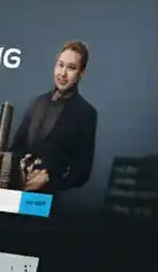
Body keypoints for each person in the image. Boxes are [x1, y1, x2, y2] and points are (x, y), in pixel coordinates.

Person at [10, 41, 97, 194]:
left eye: (71, 68)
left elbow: (82, 173)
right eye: (60, 65)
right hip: (15, 191)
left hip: (46, 202)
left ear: (81, 72)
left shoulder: (86, 113)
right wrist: (19, 170)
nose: (62, 73)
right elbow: (16, 148)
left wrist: (49, 180)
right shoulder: (37, 102)